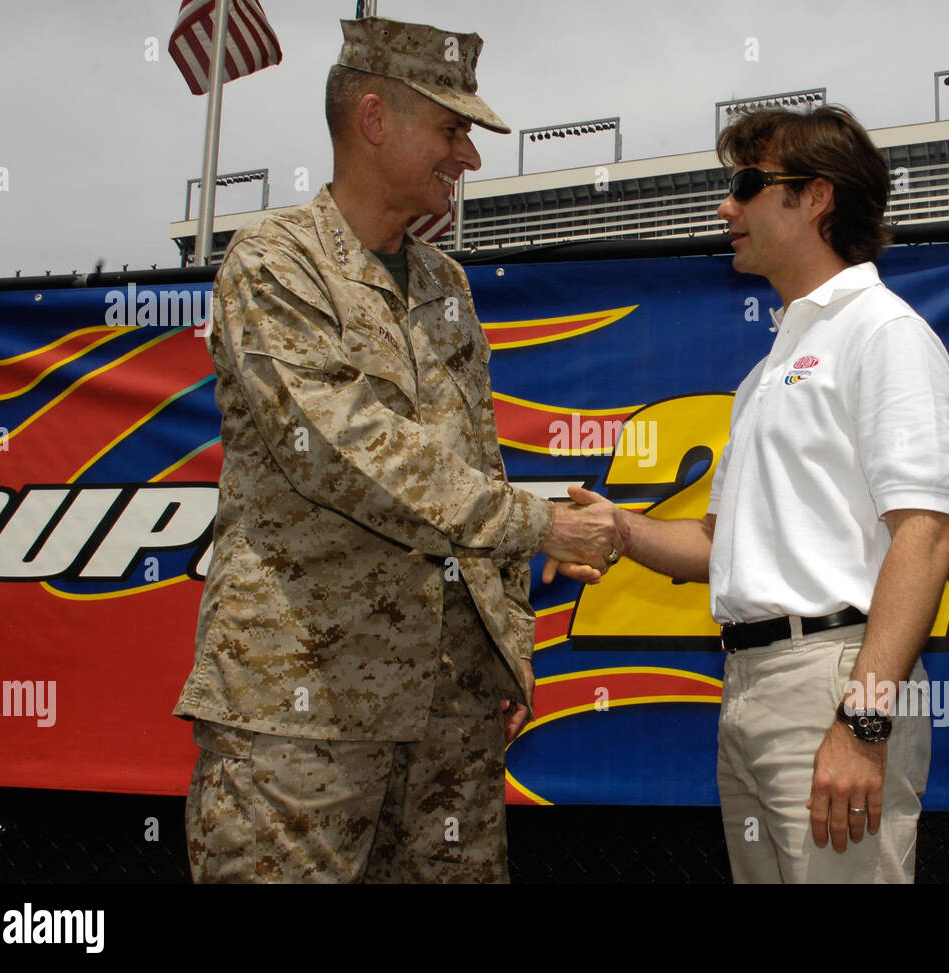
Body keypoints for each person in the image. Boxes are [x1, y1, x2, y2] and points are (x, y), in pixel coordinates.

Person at [173, 16, 621, 884]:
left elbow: (472, 458)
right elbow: (340, 451)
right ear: (375, 119)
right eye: (452, 131)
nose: (470, 158)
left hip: (451, 716)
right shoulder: (275, 261)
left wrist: (506, 649)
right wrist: (536, 525)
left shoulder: (447, 285)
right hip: (303, 715)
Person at [550, 105, 949, 883]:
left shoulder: (884, 333)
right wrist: (624, 530)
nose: (725, 205)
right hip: (749, 690)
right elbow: (719, 546)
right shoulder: (773, 364)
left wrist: (864, 719)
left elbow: (925, 538)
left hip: (833, 684)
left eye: (745, 183)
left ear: (816, 197)